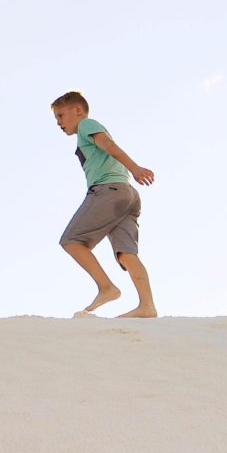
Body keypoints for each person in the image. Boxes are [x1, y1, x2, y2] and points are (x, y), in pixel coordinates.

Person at [51, 91, 158, 318]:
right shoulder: (85, 129)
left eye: (61, 115)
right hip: (127, 195)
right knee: (127, 254)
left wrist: (135, 168)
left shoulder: (86, 125)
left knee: (71, 241)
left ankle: (106, 287)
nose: (59, 123)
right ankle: (147, 306)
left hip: (108, 191)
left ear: (77, 110)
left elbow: (108, 144)